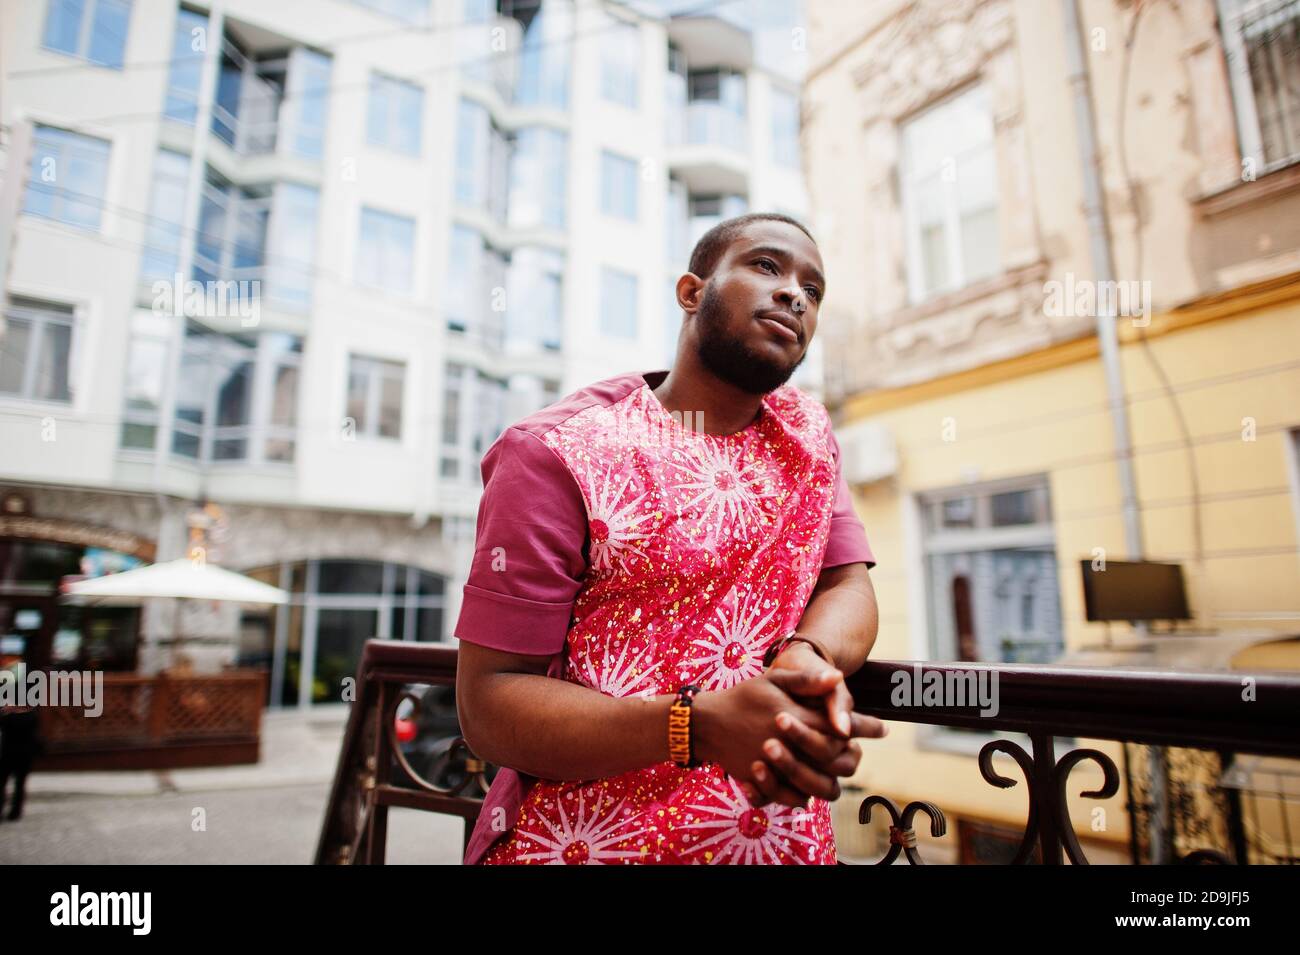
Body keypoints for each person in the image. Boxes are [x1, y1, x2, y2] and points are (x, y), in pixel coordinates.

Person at [454, 212, 887, 865]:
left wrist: (808, 652)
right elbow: (488, 703)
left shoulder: (810, 437)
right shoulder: (557, 452)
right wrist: (696, 725)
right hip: (585, 845)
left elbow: (848, 581)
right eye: (767, 266)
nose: (795, 294)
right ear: (692, 291)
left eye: (814, 289)